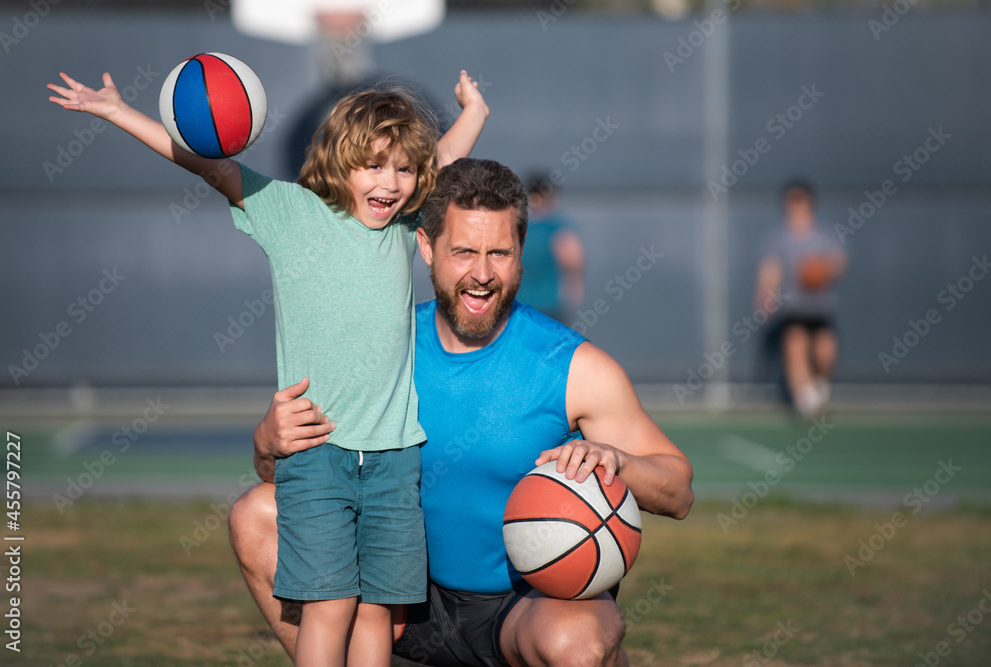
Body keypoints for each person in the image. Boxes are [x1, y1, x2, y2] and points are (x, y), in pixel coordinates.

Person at [47, 69, 488, 667]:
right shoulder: (290, 211)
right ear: (339, 163)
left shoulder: (405, 225)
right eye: (374, 165)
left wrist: (474, 110)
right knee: (329, 602)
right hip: (318, 453)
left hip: (393, 456)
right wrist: (117, 112)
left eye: (404, 170)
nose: (391, 181)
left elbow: (443, 154)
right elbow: (212, 167)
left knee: (379, 612)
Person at [230, 158, 695, 666]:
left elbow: (678, 491)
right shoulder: (384, 345)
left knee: (577, 643)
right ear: (426, 247)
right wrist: (267, 442)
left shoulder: (574, 367)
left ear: (520, 255)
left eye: (500, 253)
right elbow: (296, 477)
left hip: (522, 607)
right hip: (397, 589)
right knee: (257, 515)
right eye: (463, 252)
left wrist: (616, 460)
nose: (481, 274)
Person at [754, 179, 848, 417]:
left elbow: (840, 263)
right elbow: (771, 269)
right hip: (794, 309)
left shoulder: (824, 234)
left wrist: (821, 268)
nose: (796, 205)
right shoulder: (779, 237)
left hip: (819, 309)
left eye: (801, 200)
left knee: (825, 351)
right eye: (792, 201)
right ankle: (805, 401)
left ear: (810, 202)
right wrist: (765, 293)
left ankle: (820, 388)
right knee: (796, 346)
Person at [515, 172, 585, 325]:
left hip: (518, 307)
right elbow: (573, 263)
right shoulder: (558, 229)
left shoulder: (516, 229)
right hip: (549, 307)